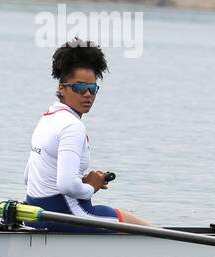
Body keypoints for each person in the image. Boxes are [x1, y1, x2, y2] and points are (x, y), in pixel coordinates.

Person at [24, 40, 147, 231]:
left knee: (115, 214)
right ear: (61, 88)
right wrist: (92, 187)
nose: (88, 94)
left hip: (34, 214)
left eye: (93, 88)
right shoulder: (72, 126)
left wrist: (83, 181)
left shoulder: (47, 118)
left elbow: (29, 177)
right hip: (67, 217)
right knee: (149, 230)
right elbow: (66, 186)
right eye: (80, 88)